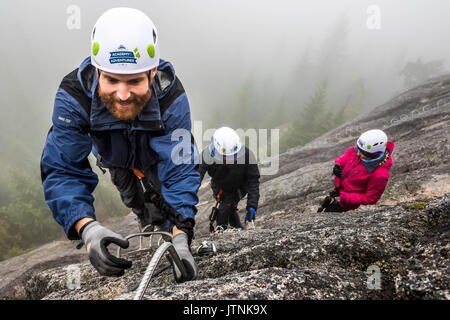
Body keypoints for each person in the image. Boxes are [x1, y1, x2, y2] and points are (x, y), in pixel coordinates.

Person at [40, 8, 200, 281]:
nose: (123, 95)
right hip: (113, 158)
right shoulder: (74, 97)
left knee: (161, 197)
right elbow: (63, 167)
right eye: (112, 80)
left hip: (153, 158)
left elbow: (180, 166)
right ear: (97, 70)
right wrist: (86, 227)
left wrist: (182, 235)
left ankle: (161, 223)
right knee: (131, 197)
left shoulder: (169, 95)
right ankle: (143, 216)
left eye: (135, 81)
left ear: (152, 73)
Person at [197, 127, 260, 230]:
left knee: (227, 207)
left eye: (234, 157)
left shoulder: (247, 155)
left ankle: (229, 229)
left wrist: (252, 207)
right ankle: (234, 228)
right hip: (220, 188)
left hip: (240, 187)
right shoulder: (206, 156)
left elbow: (253, 182)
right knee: (226, 208)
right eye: (226, 158)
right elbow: (194, 178)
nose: (231, 161)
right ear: (217, 152)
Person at [319, 129, 394, 212]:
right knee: (325, 204)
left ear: (373, 155)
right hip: (339, 187)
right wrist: (338, 164)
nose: (358, 153)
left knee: (328, 213)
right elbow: (347, 154)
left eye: (362, 153)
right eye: (358, 149)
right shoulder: (361, 148)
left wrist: (343, 197)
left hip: (347, 202)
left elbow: (370, 199)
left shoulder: (380, 175)